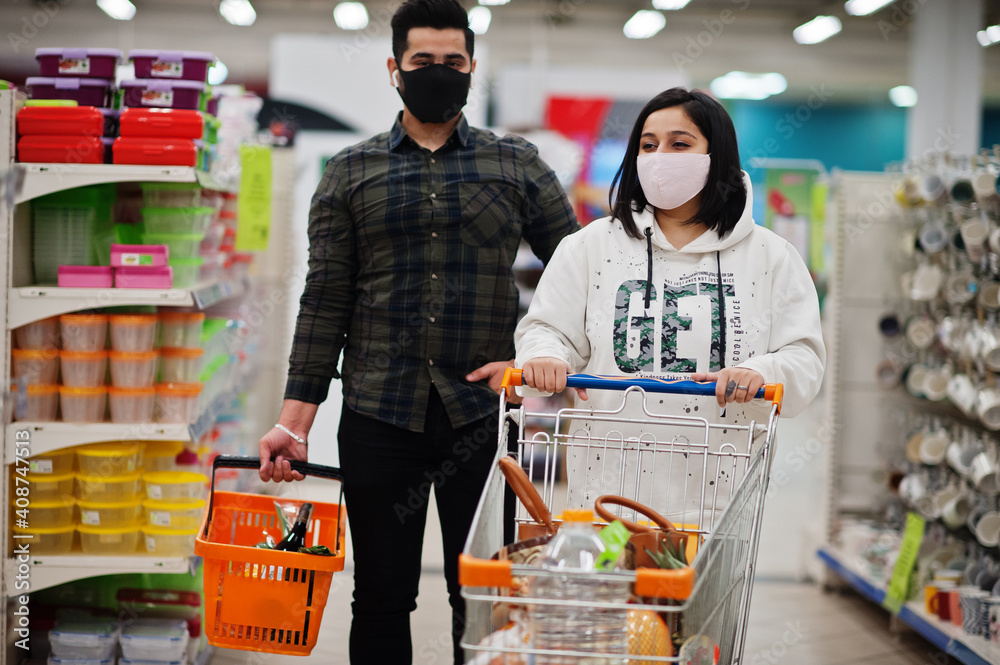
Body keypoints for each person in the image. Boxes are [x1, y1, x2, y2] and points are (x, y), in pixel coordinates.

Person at [257, 1, 579, 663]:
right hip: (379, 414)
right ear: (394, 69)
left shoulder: (517, 164)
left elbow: (577, 270)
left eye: (453, 63)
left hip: (482, 419)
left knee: (483, 594)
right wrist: (294, 421)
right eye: (423, 62)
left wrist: (549, 356)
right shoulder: (350, 171)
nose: (440, 74)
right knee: (380, 594)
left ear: (472, 67)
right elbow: (325, 300)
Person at [515, 87, 825, 518]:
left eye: (680, 144)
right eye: (648, 144)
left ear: (716, 155)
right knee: (614, 588)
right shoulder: (588, 247)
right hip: (605, 494)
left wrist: (761, 371)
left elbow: (804, 358)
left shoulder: (771, 257)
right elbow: (547, 330)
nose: (660, 156)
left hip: (717, 499)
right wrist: (545, 355)